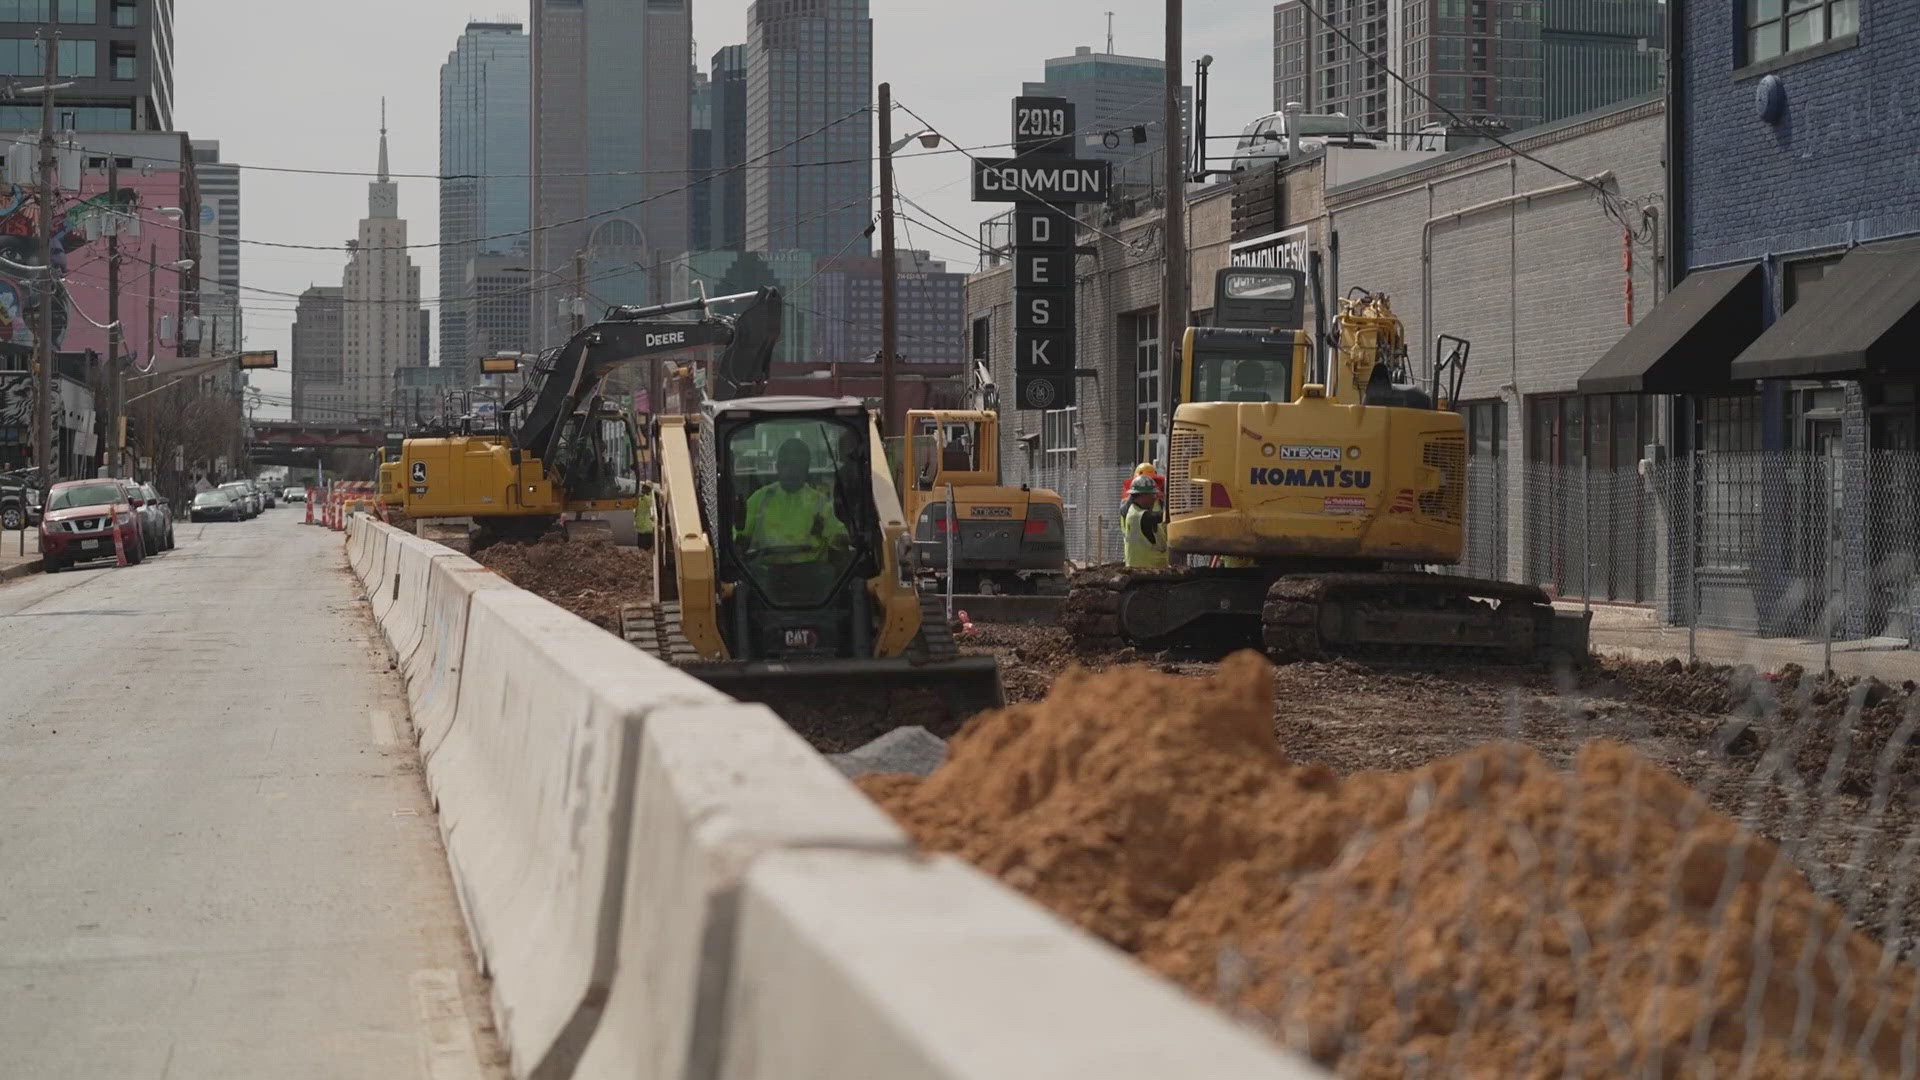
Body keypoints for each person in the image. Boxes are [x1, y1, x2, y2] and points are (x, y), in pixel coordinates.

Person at [739, 438, 849, 596]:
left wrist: (842, 539)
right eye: (787, 464)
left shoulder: (820, 502)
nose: (792, 471)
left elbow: (837, 534)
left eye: (798, 466)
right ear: (778, 467)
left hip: (811, 576)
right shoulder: (761, 498)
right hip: (767, 576)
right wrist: (739, 542)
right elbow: (739, 532)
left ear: (806, 470)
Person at [1121, 473, 1168, 568]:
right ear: (1142, 495)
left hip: (1149, 571)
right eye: (1152, 494)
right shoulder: (1137, 515)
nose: (1155, 498)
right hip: (1144, 572)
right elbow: (1156, 517)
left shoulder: (1136, 511)